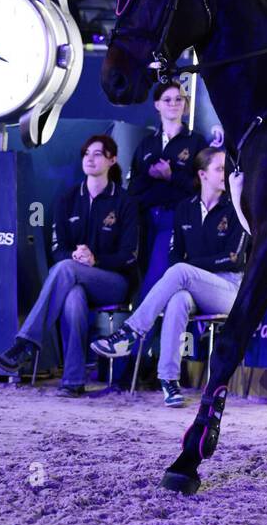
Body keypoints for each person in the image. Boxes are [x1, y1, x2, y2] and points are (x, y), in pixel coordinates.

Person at [91, 148, 249, 406]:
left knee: (181, 273)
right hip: (195, 287)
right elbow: (176, 259)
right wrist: (189, 269)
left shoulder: (236, 206)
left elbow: (234, 258)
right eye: (220, 169)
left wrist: (191, 268)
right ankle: (169, 381)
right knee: (177, 300)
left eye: (227, 169)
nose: (226, 174)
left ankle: (131, 332)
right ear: (202, 174)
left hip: (229, 290)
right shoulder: (184, 209)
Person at [0, 135, 139, 395]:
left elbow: (130, 255)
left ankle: (25, 343)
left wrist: (96, 260)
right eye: (86, 154)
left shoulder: (125, 202)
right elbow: (58, 251)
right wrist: (75, 256)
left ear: (112, 159)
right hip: (74, 277)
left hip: (113, 282)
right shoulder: (67, 198)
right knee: (72, 296)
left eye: (97, 154)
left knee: (65, 271)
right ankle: (72, 381)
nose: (90, 159)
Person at [128, 81, 208, 297]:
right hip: (145, 220)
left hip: (177, 218)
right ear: (157, 105)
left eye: (178, 99)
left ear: (185, 105)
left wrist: (172, 176)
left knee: (158, 274)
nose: (173, 104)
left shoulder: (196, 142)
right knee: (144, 273)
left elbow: (203, 187)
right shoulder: (146, 144)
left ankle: (141, 329)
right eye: (167, 99)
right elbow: (133, 187)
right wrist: (150, 175)